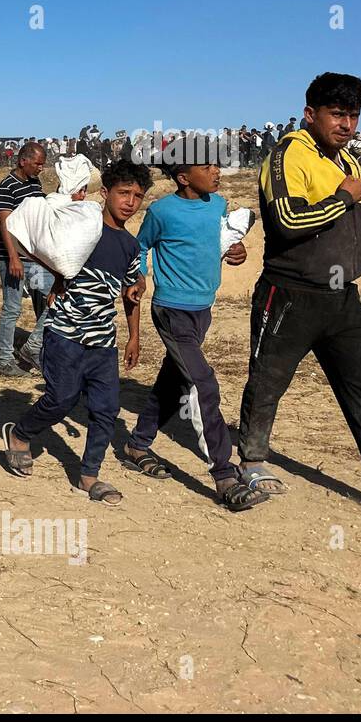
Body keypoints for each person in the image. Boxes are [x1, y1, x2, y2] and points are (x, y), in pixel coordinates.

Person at [237, 72, 361, 517]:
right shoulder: (287, 154)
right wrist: (343, 199)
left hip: (343, 298)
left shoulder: (347, 159)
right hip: (289, 295)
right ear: (311, 114)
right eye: (337, 114)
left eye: (354, 116)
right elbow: (287, 220)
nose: (347, 125)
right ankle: (251, 462)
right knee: (267, 383)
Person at [0, 159, 152, 506]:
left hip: (102, 342)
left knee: (106, 409)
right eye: (123, 192)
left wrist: (134, 336)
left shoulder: (130, 247)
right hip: (65, 334)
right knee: (62, 398)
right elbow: (44, 247)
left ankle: (89, 476)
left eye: (138, 196)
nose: (130, 201)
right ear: (105, 193)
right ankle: (21, 434)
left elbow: (132, 292)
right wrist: (56, 276)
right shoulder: (82, 227)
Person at [121, 155, 260, 510]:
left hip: (203, 309)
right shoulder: (162, 211)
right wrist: (139, 276)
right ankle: (224, 475)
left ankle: (137, 444)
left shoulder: (218, 204)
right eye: (208, 167)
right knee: (203, 385)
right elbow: (139, 247)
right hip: (171, 310)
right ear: (183, 177)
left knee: (173, 381)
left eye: (218, 166)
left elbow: (223, 241)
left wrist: (237, 251)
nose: (217, 172)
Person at [0, 142, 54, 377]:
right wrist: (12, 258)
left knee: (49, 301)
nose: (41, 168)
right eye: (38, 163)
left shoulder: (34, 184)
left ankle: (34, 349)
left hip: (35, 259)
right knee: (12, 308)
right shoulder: (7, 186)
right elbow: (5, 224)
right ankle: (5, 361)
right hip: (14, 259)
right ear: (23, 161)